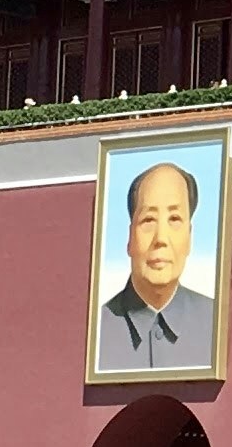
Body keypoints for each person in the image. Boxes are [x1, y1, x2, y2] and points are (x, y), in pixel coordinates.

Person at [93, 157, 217, 373]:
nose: (161, 238)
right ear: (130, 237)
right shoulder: (97, 330)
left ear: (189, 237)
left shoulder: (216, 324)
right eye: (149, 220)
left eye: (175, 219)